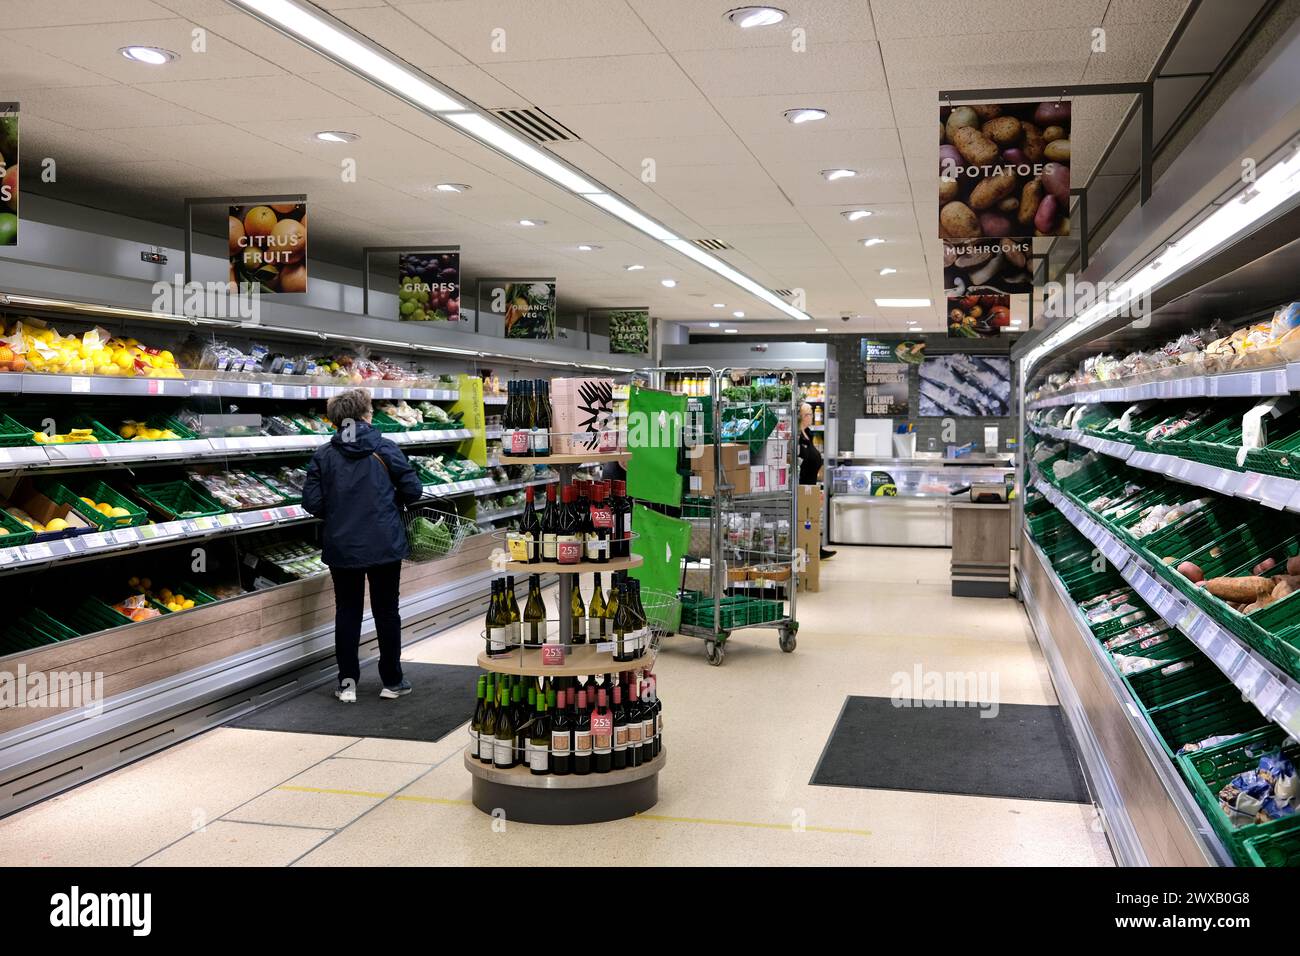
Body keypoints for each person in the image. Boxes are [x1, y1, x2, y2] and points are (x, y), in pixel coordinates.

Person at [302, 388, 425, 703]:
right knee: (386, 611)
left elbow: (311, 503)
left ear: (336, 421)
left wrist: (340, 513)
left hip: (342, 546)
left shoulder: (323, 455)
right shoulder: (385, 448)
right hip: (384, 542)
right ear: (365, 415)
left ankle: (347, 684)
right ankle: (392, 681)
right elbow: (413, 491)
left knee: (347, 612)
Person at [798, 401, 835, 560]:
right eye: (808, 414)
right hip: (801, 485)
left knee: (811, 519)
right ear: (800, 417)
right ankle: (810, 549)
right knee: (806, 519)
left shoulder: (808, 433)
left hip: (811, 484)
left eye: (811, 414)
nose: (811, 417)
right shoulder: (798, 437)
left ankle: (815, 548)